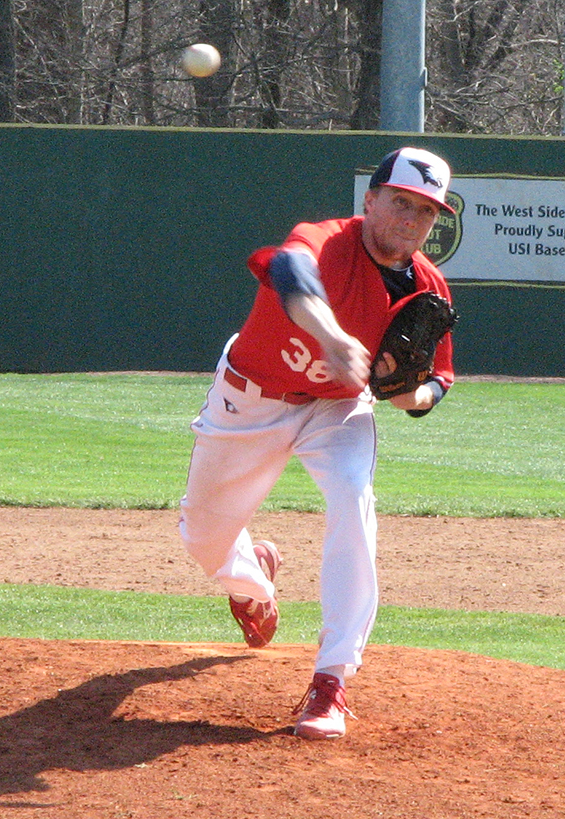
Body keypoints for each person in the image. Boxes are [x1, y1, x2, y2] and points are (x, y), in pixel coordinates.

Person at [179, 147, 456, 740]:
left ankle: (332, 680)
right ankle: (253, 579)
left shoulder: (429, 288)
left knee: (354, 498)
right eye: (400, 202)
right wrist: (330, 334)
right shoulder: (326, 242)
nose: (411, 219)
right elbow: (289, 273)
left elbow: (437, 382)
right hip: (251, 397)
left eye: (426, 211)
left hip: (338, 408)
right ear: (370, 200)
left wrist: (410, 395)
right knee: (203, 538)